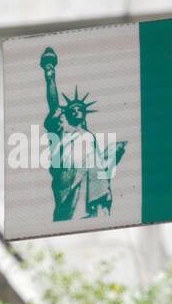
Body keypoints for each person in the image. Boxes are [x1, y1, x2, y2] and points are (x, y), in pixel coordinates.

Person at [39, 47, 127, 221]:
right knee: (68, 215)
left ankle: (93, 212)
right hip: (67, 177)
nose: (77, 110)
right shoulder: (62, 126)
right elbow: (54, 106)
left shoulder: (88, 135)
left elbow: (98, 165)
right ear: (67, 113)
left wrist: (113, 153)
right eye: (73, 108)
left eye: (81, 108)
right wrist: (50, 75)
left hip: (89, 184)